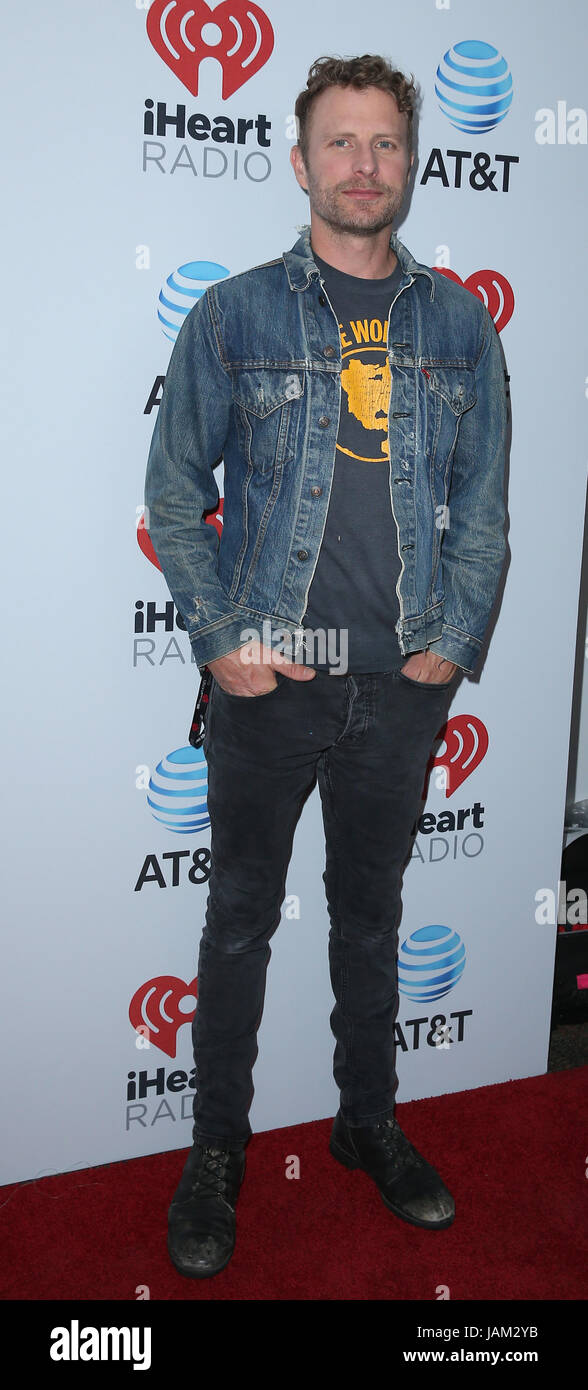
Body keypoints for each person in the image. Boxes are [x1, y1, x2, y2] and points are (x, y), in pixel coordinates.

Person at [144, 53, 508, 1279]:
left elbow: (485, 508)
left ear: (413, 162)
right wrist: (221, 638)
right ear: (301, 164)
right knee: (238, 921)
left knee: (371, 920)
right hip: (270, 680)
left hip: (400, 694)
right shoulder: (235, 315)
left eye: (386, 144)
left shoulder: (460, 324)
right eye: (341, 144)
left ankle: (366, 1123)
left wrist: (449, 645)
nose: (365, 166)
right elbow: (173, 489)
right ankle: (217, 1157)